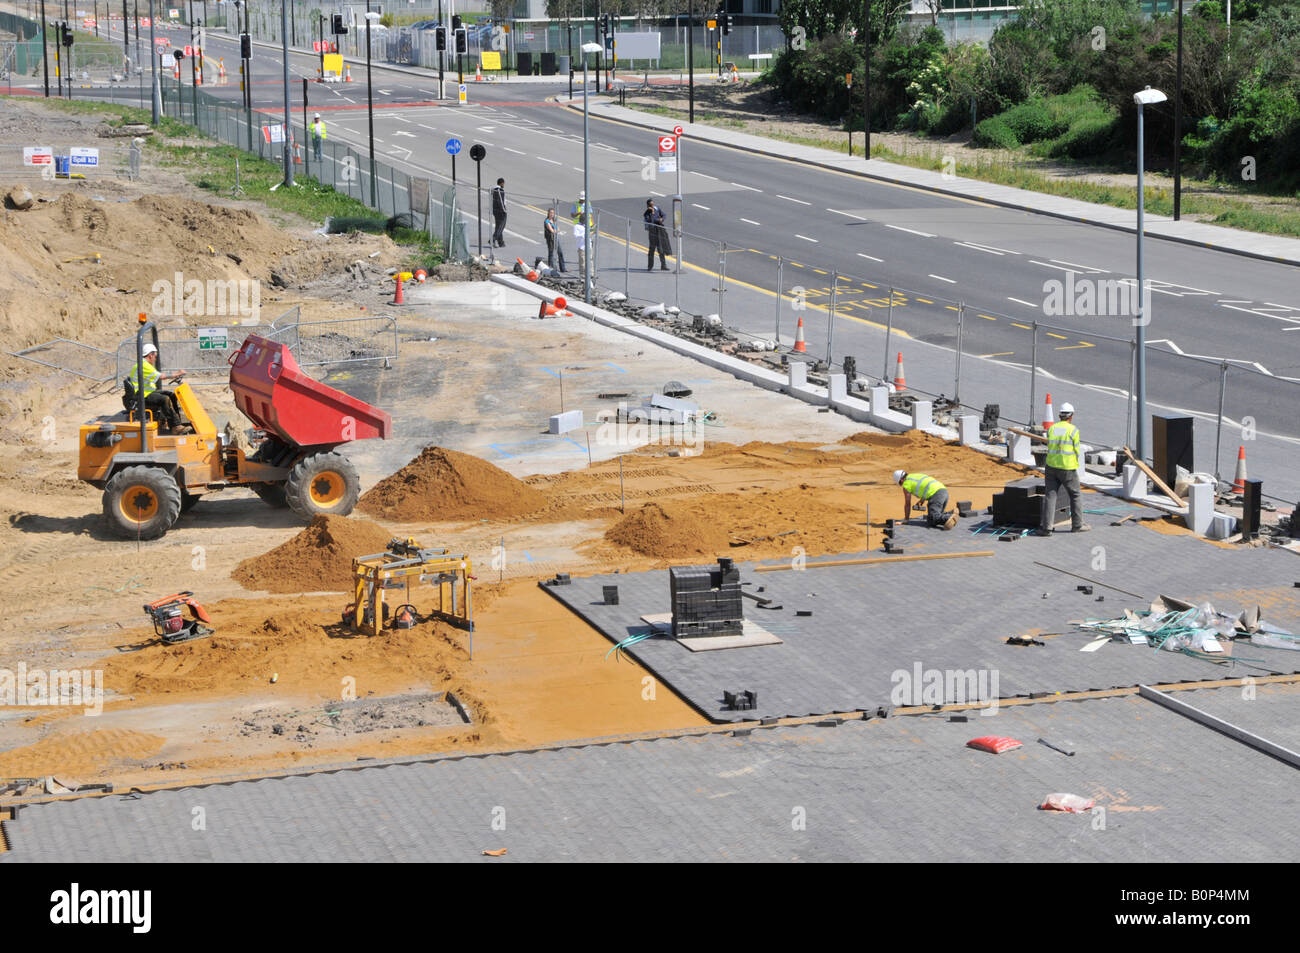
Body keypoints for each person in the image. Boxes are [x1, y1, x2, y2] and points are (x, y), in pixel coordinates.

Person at [1033, 402, 1090, 535]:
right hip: (1067, 467)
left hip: (1051, 466)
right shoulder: (1073, 430)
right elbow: (1077, 449)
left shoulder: (1052, 428)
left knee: (1050, 496)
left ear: (1060, 415)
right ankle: (1077, 525)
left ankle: (1046, 528)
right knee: (1075, 495)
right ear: (1071, 416)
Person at [128, 343, 189, 434]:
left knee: (171, 395)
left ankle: (176, 423)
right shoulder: (143, 365)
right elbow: (161, 376)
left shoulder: (144, 364)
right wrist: (177, 374)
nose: (155, 358)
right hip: (141, 396)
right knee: (165, 399)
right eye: (155, 356)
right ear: (150, 355)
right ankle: (175, 426)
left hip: (146, 392)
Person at [643, 199, 672, 271]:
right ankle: (650, 266)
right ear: (648, 206)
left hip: (659, 231)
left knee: (661, 248)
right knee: (652, 249)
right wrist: (652, 213)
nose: (652, 206)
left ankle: (663, 265)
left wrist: (662, 219)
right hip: (652, 232)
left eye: (653, 204)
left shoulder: (657, 208)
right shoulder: (646, 213)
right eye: (650, 205)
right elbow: (651, 221)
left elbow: (664, 215)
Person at [544, 208, 566, 272]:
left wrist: (556, 230)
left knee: (560, 252)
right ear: (548, 213)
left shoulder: (553, 220)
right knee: (551, 253)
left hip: (556, 238)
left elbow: (558, 228)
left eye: (553, 213)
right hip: (550, 239)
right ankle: (551, 268)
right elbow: (552, 230)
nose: (552, 214)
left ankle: (563, 268)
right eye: (550, 213)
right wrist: (556, 230)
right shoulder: (547, 221)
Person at [491, 177, 507, 248]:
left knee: (498, 226)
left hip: (495, 210)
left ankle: (501, 242)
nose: (504, 185)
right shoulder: (499, 190)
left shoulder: (493, 189)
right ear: (501, 183)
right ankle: (493, 239)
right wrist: (504, 210)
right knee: (501, 226)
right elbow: (500, 201)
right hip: (500, 211)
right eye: (503, 183)